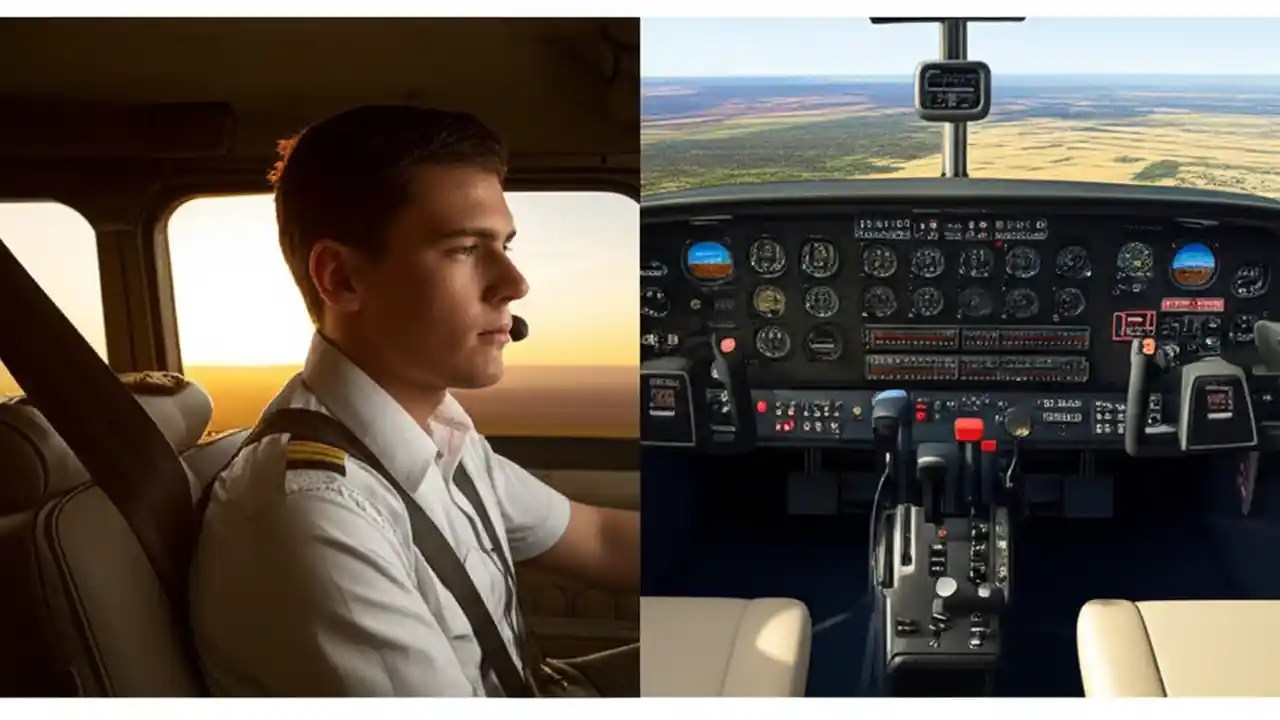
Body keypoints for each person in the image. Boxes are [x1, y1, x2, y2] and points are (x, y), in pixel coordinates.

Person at [189, 105, 640, 696]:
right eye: (463, 248)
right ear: (341, 278)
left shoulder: (436, 432)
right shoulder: (316, 514)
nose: (514, 282)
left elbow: (600, 539)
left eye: (503, 243)